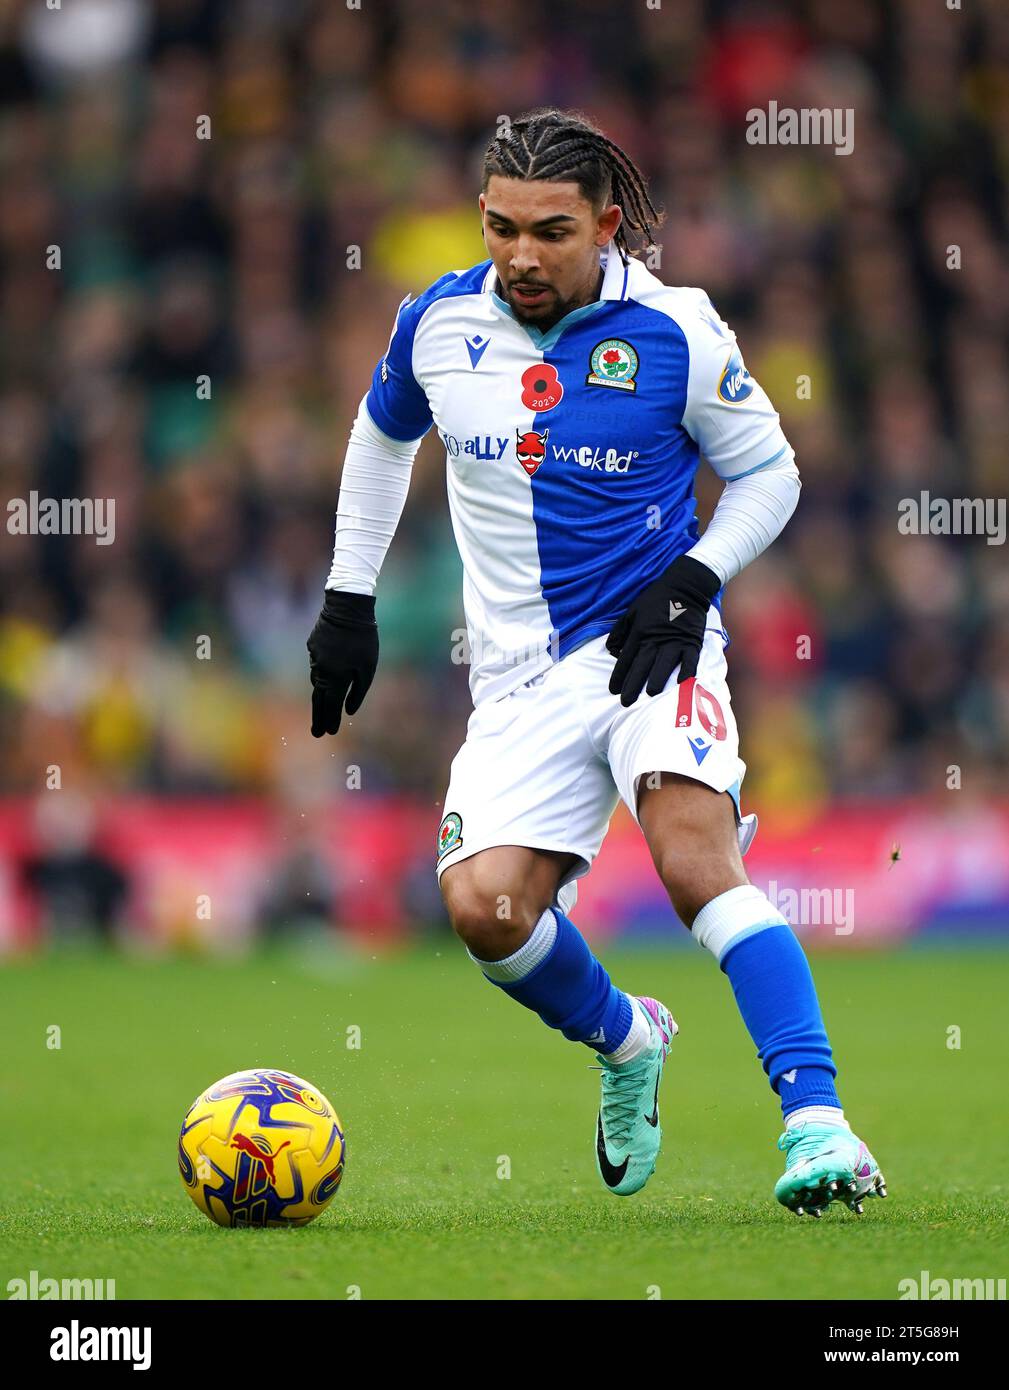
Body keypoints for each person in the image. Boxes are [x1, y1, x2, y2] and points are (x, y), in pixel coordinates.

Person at [308, 108, 886, 1216]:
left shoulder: (678, 330)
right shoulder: (435, 322)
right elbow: (381, 438)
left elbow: (770, 475)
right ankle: (628, 1041)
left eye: (550, 231)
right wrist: (348, 596)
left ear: (607, 225)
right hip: (516, 675)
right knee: (484, 912)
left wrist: (695, 578)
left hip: (647, 647)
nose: (520, 254)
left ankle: (819, 1125)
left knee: (693, 863)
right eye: (499, 227)